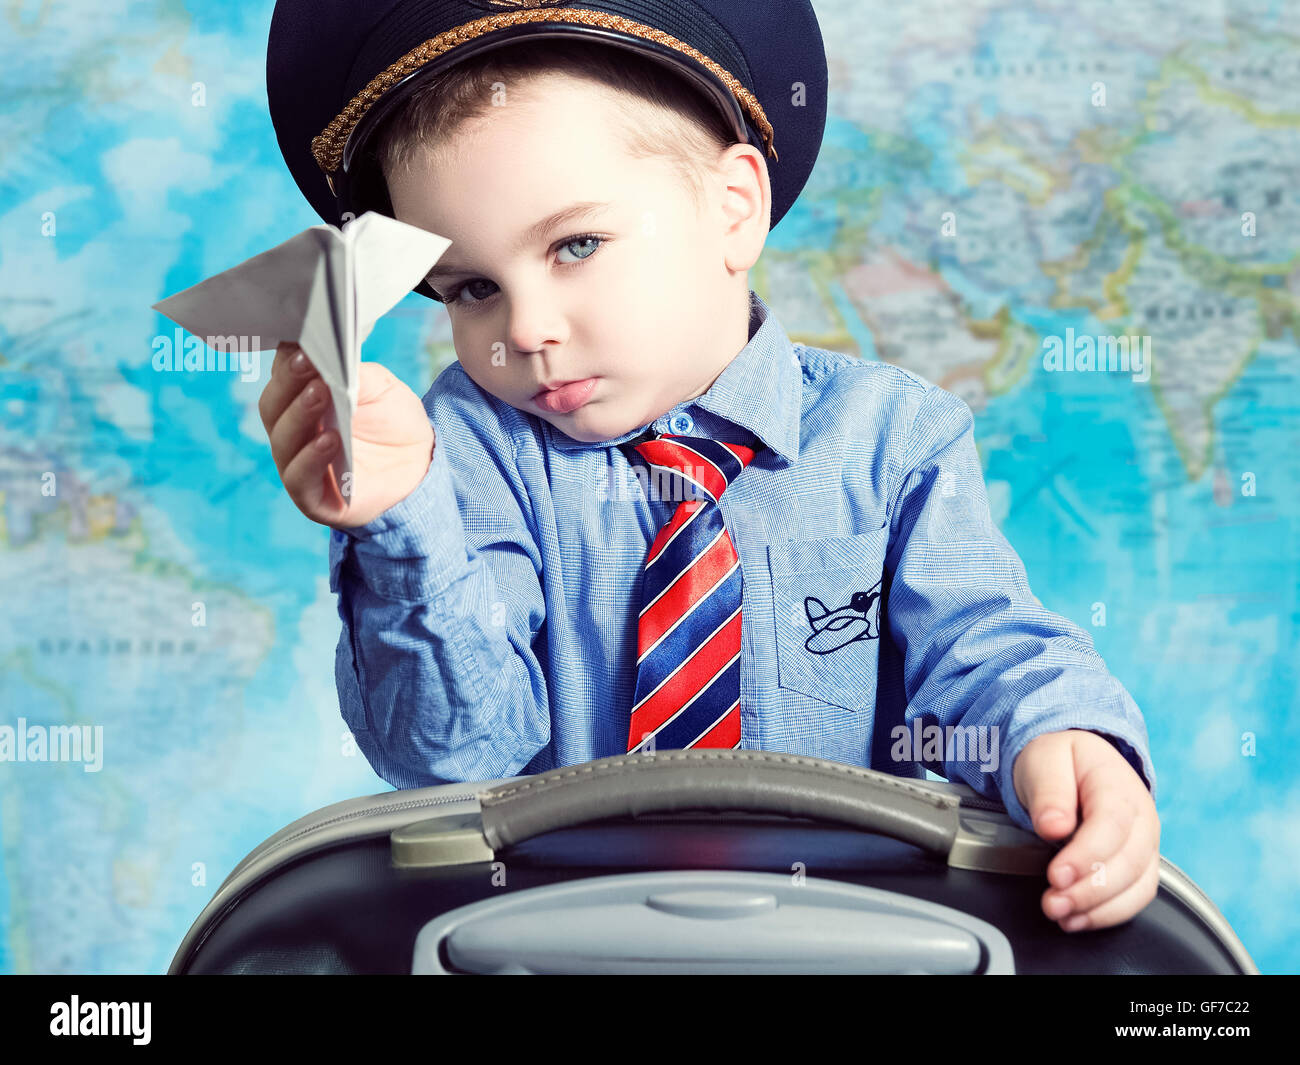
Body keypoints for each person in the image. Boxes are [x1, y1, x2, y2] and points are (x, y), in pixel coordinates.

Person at [259, 0, 1159, 934]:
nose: (525, 330)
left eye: (576, 246)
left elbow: (985, 648)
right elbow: (456, 755)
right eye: (474, 288)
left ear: (733, 211)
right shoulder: (473, 445)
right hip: (556, 943)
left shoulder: (896, 441)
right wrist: (400, 518)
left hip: (842, 940)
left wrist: (1059, 735)